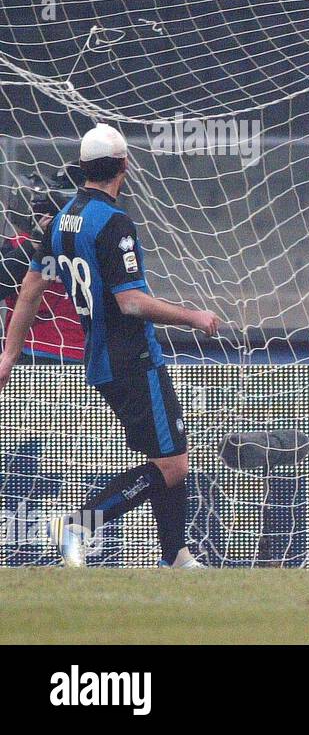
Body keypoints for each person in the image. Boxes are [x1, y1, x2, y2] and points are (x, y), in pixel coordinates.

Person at [0, 124, 222, 568]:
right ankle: (81, 524)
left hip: (101, 360)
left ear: (83, 168)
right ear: (124, 167)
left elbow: (29, 290)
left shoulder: (62, 221)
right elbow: (132, 302)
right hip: (133, 357)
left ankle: (176, 554)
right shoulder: (114, 220)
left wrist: (8, 354)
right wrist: (193, 316)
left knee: (166, 454)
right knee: (174, 465)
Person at [0, 184, 86, 364]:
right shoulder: (18, 245)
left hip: (76, 351)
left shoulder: (88, 243)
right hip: (31, 348)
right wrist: (35, 244)